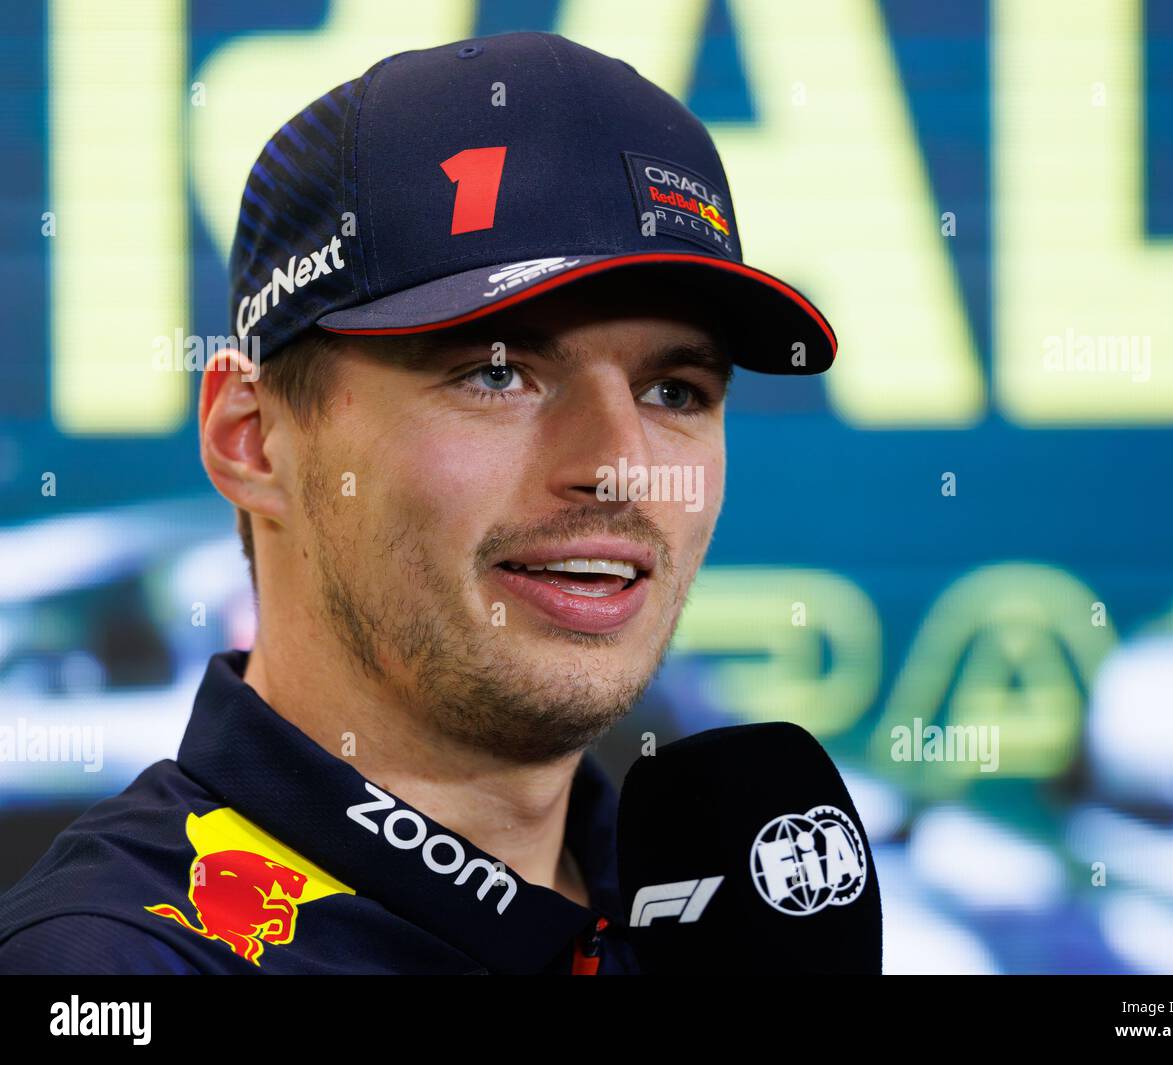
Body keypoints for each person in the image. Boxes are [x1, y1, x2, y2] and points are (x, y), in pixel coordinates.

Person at [0, 30, 835, 974]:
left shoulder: (722, 917)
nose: (621, 467)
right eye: (497, 374)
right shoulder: (107, 966)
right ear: (252, 436)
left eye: (674, 391)